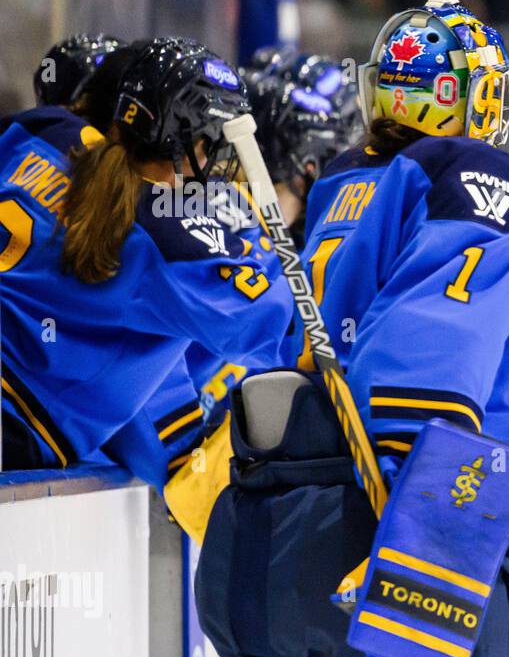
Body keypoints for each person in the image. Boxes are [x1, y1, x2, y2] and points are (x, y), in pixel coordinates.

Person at [194, 0, 509, 657]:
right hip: (392, 533)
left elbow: (315, 343)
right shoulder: (480, 176)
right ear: (472, 95)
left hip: (265, 551)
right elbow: (426, 361)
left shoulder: (341, 190)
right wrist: (422, 550)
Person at [0, 37, 292, 480]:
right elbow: (274, 327)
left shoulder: (38, 130)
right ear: (194, 143)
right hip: (14, 424)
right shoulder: (164, 235)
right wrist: (250, 232)